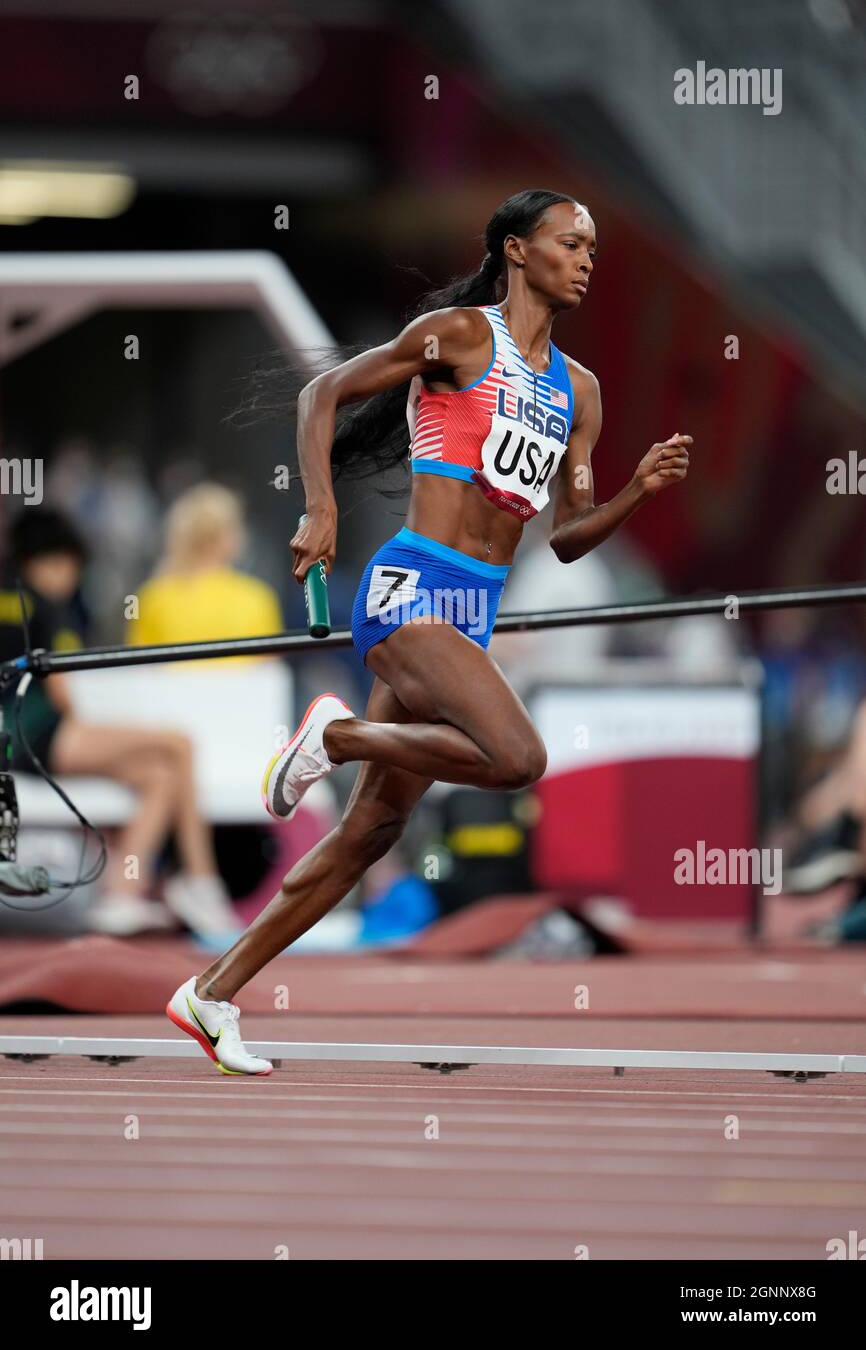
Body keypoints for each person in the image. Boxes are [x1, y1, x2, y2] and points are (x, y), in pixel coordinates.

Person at [166, 189, 692, 1075]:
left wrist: (636, 491)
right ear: (517, 250)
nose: (586, 259)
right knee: (518, 758)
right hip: (411, 591)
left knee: (370, 832)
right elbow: (323, 393)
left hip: (469, 616)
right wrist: (322, 508)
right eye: (570, 243)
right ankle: (336, 736)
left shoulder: (582, 393)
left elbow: (567, 538)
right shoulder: (459, 337)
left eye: (593, 249)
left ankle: (210, 992)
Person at [0, 508, 234, 936]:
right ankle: (201, 881)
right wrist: (88, 731)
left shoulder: (11, 597)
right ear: (50, 559)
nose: (72, 578)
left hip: (19, 739)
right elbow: (59, 691)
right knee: (179, 743)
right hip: (38, 735)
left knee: (161, 776)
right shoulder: (42, 605)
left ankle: (122, 893)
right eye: (70, 566)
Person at [128, 482, 282, 660]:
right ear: (229, 538)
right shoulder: (257, 598)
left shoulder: (152, 598)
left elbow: (138, 666)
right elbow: (270, 669)